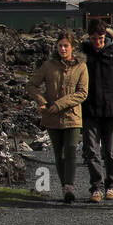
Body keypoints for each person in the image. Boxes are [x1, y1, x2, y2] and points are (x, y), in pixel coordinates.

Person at [27, 32, 89, 203]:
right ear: (56, 47)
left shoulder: (81, 66)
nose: (62, 48)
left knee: (70, 150)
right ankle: (65, 187)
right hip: (51, 118)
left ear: (72, 47)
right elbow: (31, 85)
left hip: (72, 116)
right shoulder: (48, 65)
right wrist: (42, 101)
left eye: (66, 46)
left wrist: (59, 104)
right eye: (60, 45)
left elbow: (82, 93)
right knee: (58, 153)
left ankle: (69, 186)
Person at [79, 18, 113, 202]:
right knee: (91, 151)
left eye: (100, 38)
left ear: (105, 35)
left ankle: (111, 185)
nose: (97, 42)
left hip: (112, 112)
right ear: (89, 37)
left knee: (110, 152)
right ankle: (96, 187)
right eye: (93, 38)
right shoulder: (83, 54)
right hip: (89, 111)